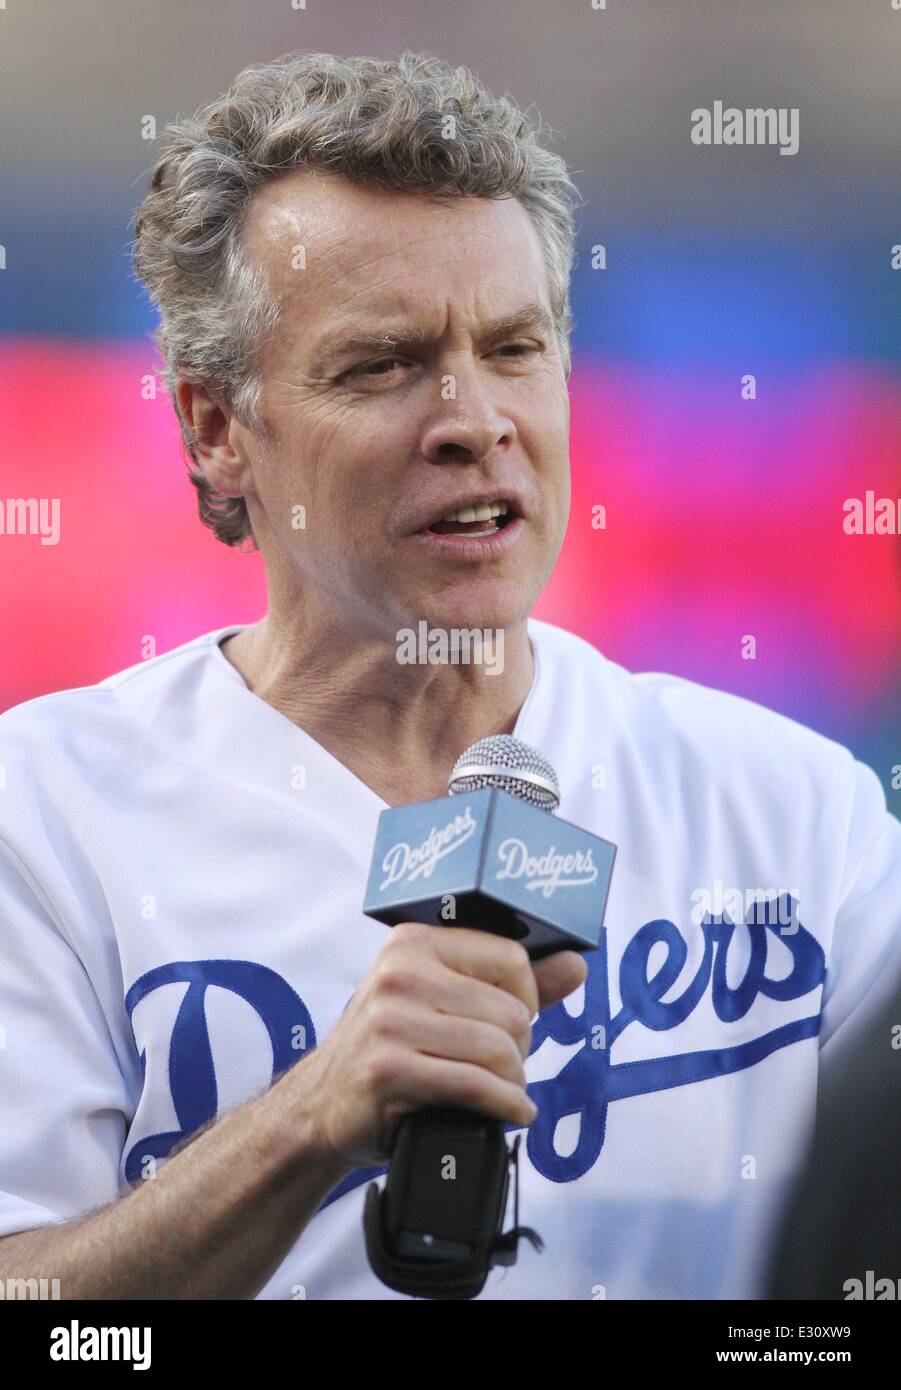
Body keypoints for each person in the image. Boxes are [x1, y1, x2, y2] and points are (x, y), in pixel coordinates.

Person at [0, 49, 898, 1301]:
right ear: (215, 428)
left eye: (516, 347)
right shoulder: (42, 818)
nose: (473, 417)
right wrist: (307, 1120)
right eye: (382, 364)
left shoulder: (800, 814)